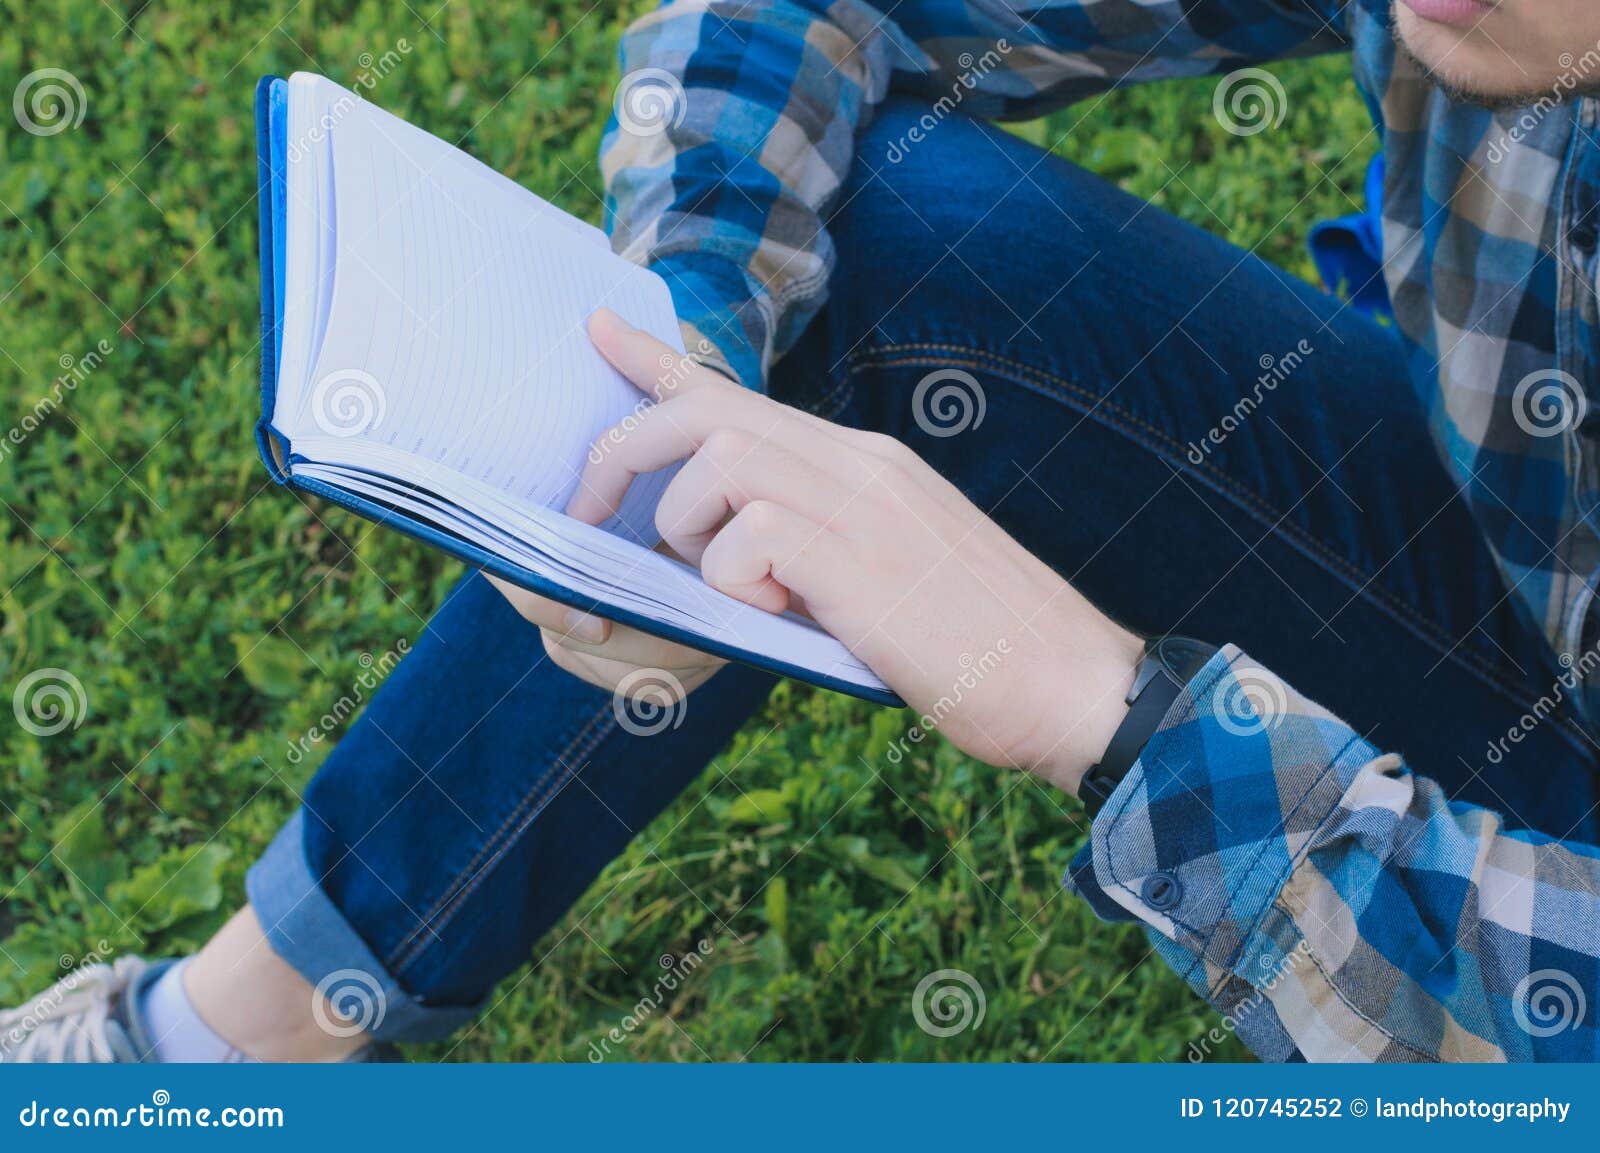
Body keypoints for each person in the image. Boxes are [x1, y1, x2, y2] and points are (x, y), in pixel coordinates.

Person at [6, 0, 1600, 1063]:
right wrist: (701, 333)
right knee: (871, 236)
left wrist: (1106, 710)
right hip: (1529, 560)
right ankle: (239, 1036)